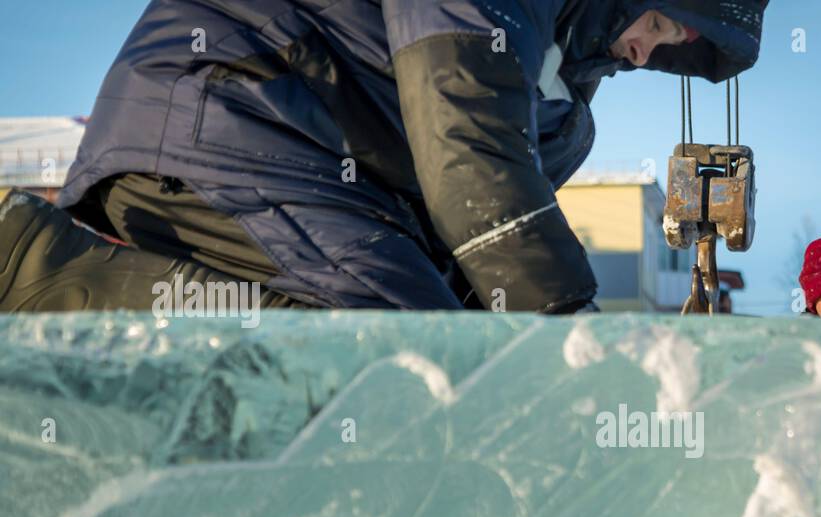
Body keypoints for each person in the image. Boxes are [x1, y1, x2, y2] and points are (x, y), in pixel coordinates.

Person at [0, 1, 767, 314]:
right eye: (659, 19)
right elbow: (470, 152)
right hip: (246, 106)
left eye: (667, 46)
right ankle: (38, 269)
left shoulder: (565, 113)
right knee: (394, 363)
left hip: (340, 190)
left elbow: (471, 256)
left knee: (428, 374)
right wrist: (572, 336)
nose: (644, 49)